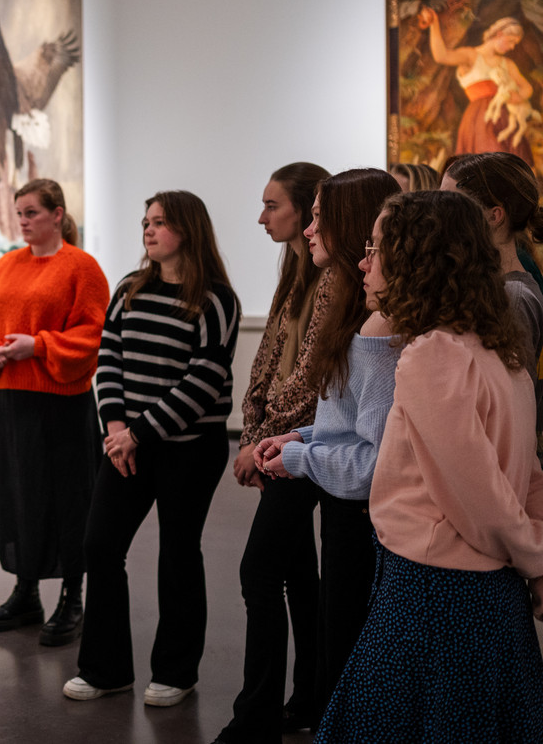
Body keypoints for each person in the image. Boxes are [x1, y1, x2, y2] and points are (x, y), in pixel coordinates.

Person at [315, 190, 543, 742]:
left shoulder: (431, 356)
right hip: (483, 596)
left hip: (436, 596)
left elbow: (485, 502)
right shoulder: (500, 350)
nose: (364, 262)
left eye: (377, 249)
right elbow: (529, 478)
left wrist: (538, 554)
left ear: (417, 260)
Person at [63, 190, 240, 707]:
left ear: (188, 229)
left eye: (160, 222)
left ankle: (176, 671)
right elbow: (109, 358)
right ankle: (106, 668)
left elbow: (203, 380)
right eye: (146, 221)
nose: (148, 229)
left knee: (178, 552)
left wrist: (138, 433)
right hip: (126, 445)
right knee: (100, 546)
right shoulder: (129, 289)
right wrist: (117, 430)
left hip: (188, 446)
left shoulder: (215, 300)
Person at [254, 167, 402, 723]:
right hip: (340, 492)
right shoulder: (342, 299)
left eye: (320, 217)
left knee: (345, 638)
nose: (311, 230)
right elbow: (344, 419)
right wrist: (299, 435)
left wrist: (294, 450)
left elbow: (374, 454)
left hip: (361, 507)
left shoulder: (374, 323)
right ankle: (308, 706)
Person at [211, 162, 330, 744]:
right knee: (298, 574)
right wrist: (249, 430)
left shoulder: (333, 280)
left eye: (271, 206)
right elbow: (268, 360)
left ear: (308, 209)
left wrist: (261, 444)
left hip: (307, 445)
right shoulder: (294, 268)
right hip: (279, 443)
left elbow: (311, 377)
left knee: (260, 571)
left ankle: (255, 714)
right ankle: (307, 696)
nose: (261, 217)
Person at [0, 178, 110, 647]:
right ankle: (25, 590)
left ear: (57, 214)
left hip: (63, 404)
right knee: (18, 494)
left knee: (69, 498)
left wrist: (39, 345)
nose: (23, 222)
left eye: (31, 212)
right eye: (19, 214)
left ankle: (73, 595)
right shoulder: (6, 265)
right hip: (13, 401)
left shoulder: (82, 268)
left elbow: (92, 335)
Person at [442, 152, 543, 476]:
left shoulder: (513, 297)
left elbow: (508, 416)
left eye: (451, 204)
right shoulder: (497, 289)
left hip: (506, 474)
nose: (439, 215)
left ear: (494, 216)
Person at [419, 8, 535, 165]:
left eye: (515, 43)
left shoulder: (507, 64)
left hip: (506, 119)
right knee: (485, 165)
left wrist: (516, 97)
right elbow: (441, 56)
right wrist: (434, 23)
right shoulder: (470, 55)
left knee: (511, 168)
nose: (512, 47)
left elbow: (527, 88)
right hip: (479, 120)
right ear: (499, 34)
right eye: (511, 41)